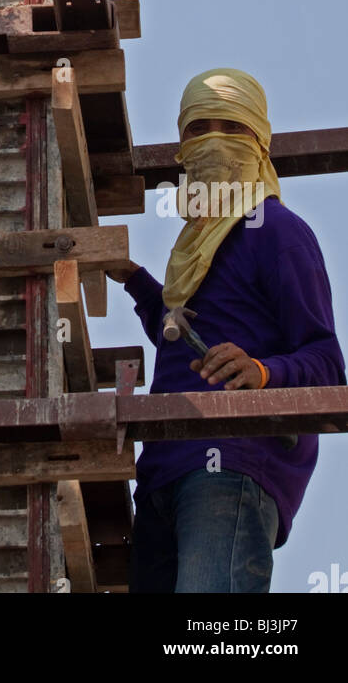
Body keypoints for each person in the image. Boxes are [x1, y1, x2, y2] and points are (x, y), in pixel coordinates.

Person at [108, 67, 345, 593]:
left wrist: (262, 371)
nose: (213, 140)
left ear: (260, 142)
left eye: (230, 127)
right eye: (198, 128)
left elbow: (328, 364)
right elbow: (182, 342)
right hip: (162, 472)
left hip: (232, 466)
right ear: (181, 148)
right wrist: (137, 282)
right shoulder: (194, 248)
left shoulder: (278, 232)